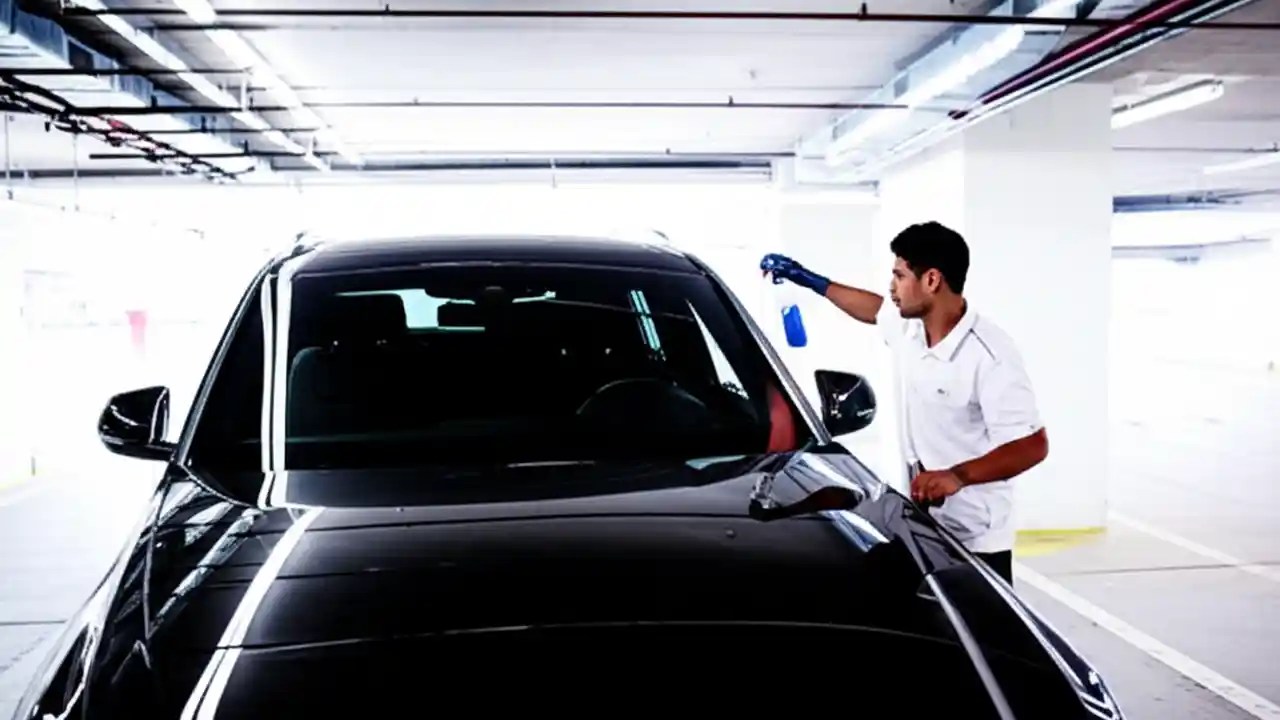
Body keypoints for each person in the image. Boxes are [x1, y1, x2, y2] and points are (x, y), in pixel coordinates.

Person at [760, 221, 1048, 584]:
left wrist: (957, 476)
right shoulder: (912, 329)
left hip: (975, 539)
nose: (891, 287)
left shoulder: (990, 356)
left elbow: (1033, 445)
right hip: (919, 520)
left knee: (979, 634)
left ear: (931, 280)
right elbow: (875, 310)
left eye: (899, 275)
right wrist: (811, 281)